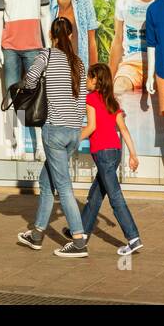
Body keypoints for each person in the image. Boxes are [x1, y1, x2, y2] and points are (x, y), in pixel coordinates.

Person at [17, 16, 89, 258]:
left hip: (54, 130)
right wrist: (77, 127)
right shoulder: (78, 63)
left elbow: (29, 81)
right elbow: (82, 100)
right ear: (70, 35)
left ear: (51, 34)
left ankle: (78, 240)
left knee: (64, 187)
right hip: (73, 132)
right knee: (46, 182)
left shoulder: (46, 56)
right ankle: (37, 234)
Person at [63, 62, 143, 255]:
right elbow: (123, 129)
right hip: (115, 152)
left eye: (88, 78)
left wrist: (71, 139)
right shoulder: (111, 101)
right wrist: (132, 154)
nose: (86, 81)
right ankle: (81, 233)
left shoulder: (91, 99)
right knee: (95, 196)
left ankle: (133, 238)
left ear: (96, 81)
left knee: (115, 197)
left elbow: (90, 127)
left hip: (103, 153)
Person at [109, 0, 160, 96]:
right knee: (118, 88)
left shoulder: (162, 4)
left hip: (158, 66)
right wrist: (109, 80)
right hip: (131, 64)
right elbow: (117, 40)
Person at [48, 0, 98, 68]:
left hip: (78, 71)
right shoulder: (46, 2)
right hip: (52, 71)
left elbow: (91, 42)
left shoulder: (85, 4)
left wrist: (93, 74)